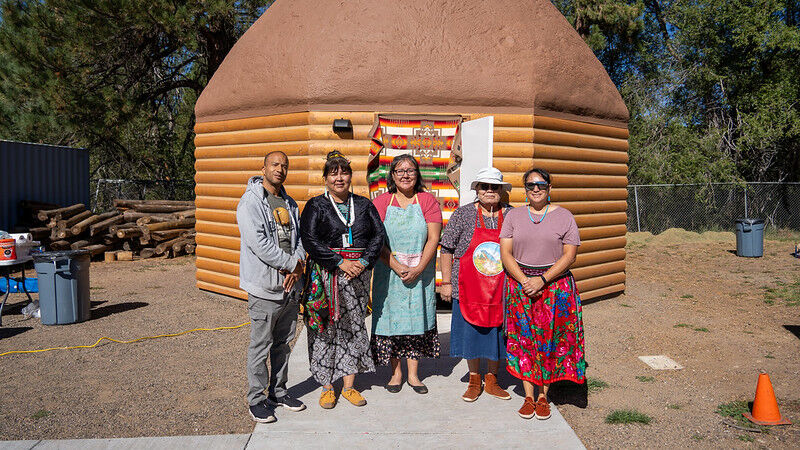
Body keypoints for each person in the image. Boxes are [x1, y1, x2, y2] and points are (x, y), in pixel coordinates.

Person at [299, 150, 386, 409]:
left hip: (357, 277)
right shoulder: (316, 205)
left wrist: (361, 262)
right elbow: (309, 239)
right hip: (326, 277)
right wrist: (339, 262)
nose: (340, 178)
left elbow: (378, 236)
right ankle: (327, 386)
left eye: (344, 172)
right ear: (325, 178)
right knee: (324, 329)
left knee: (353, 328)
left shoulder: (364, 205)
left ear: (351, 176)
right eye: (333, 173)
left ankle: (349, 386)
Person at [499, 168, 586, 420]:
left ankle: (542, 395)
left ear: (550, 187)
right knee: (524, 340)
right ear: (525, 189)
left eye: (540, 184)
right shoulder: (514, 216)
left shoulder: (565, 216)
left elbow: (570, 255)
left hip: (555, 286)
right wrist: (526, 280)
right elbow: (506, 254)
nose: (535, 189)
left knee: (550, 341)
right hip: (520, 285)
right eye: (530, 185)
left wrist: (543, 279)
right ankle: (528, 395)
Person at [236, 151, 307, 423]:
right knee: (260, 345)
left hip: (290, 288)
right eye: (275, 165)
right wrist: (292, 264)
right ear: (263, 168)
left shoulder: (289, 203)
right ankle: (256, 399)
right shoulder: (251, 202)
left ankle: (278, 391)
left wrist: (297, 264)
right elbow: (259, 244)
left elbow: (299, 239)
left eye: (284, 166)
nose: (280, 169)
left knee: (283, 344)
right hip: (265, 288)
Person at [371, 154, 442, 394]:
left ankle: (413, 374)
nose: (405, 175)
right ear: (392, 176)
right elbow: (376, 240)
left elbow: (434, 238)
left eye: (410, 170)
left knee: (416, 318)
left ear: (417, 174)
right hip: (388, 271)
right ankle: (395, 373)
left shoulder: (427, 201)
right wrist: (396, 265)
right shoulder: (382, 202)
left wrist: (419, 267)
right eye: (400, 171)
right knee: (391, 320)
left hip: (420, 272)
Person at [440, 167, 512, 402]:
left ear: (501, 190)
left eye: (494, 187)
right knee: (471, 333)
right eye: (485, 186)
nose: (489, 191)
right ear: (477, 190)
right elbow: (447, 248)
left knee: (496, 334)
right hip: (468, 286)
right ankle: (473, 378)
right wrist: (447, 282)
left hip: (501, 288)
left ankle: (492, 378)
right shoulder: (463, 215)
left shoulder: (512, 215)